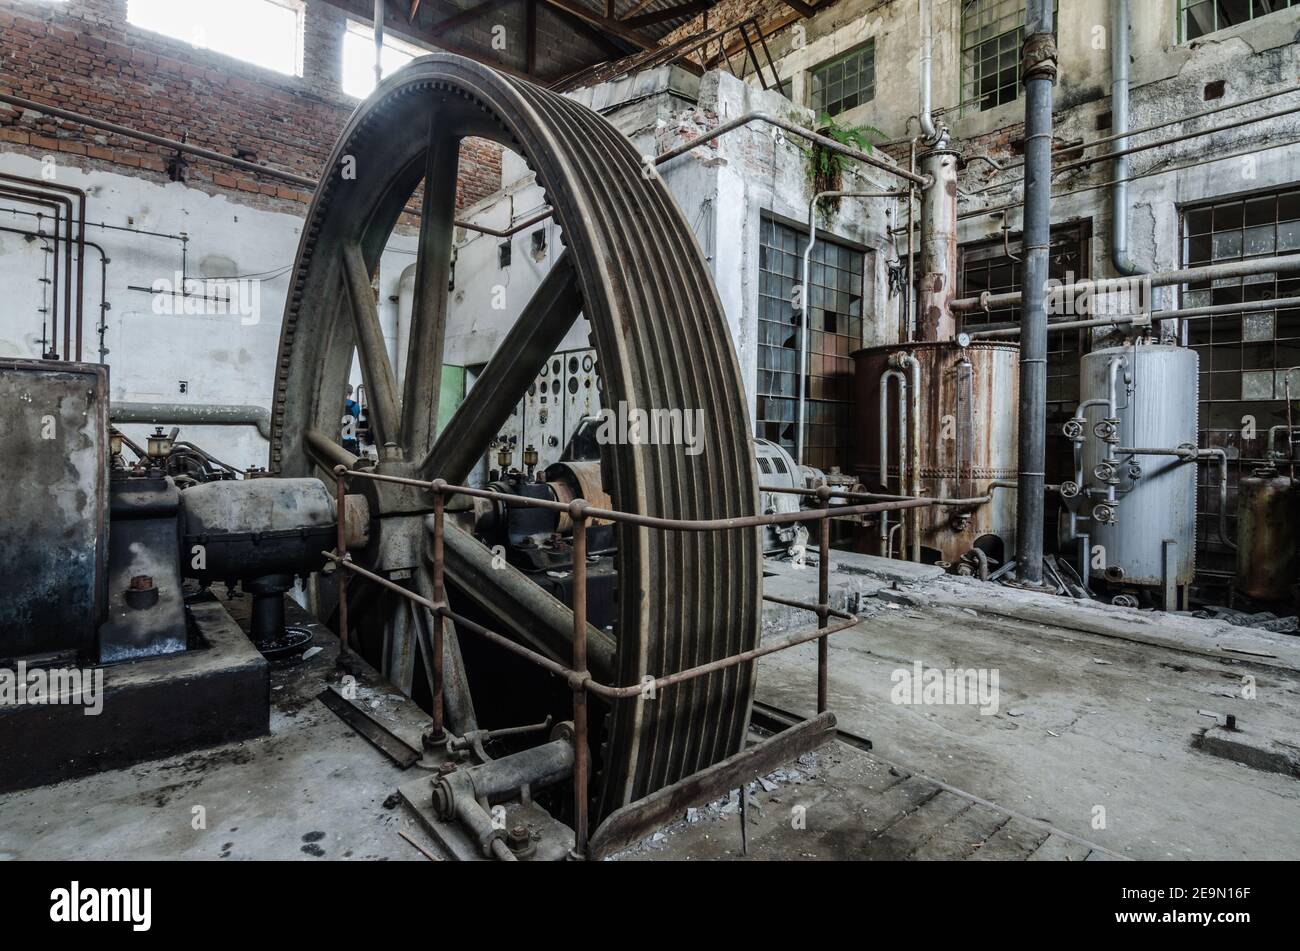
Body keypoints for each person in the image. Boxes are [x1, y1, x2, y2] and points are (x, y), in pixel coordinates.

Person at [342, 384, 361, 454]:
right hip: (350, 438)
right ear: (351, 393)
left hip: (338, 439)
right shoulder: (356, 406)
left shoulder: (338, 405)